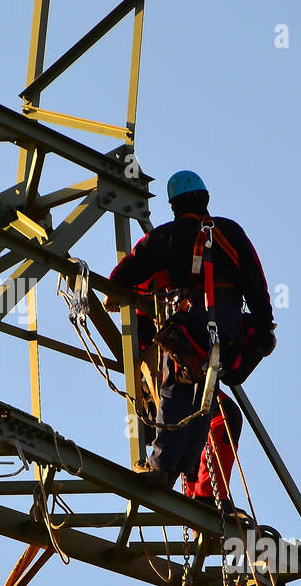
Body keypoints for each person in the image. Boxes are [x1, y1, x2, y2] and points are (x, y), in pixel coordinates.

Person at [106, 170, 275, 490]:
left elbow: (130, 268)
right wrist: (263, 325)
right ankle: (191, 473)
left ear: (173, 205)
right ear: (206, 198)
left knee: (176, 387)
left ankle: (163, 467)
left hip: (193, 323)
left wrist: (115, 291)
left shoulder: (169, 235)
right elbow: (256, 283)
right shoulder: (231, 232)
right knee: (204, 397)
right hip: (228, 329)